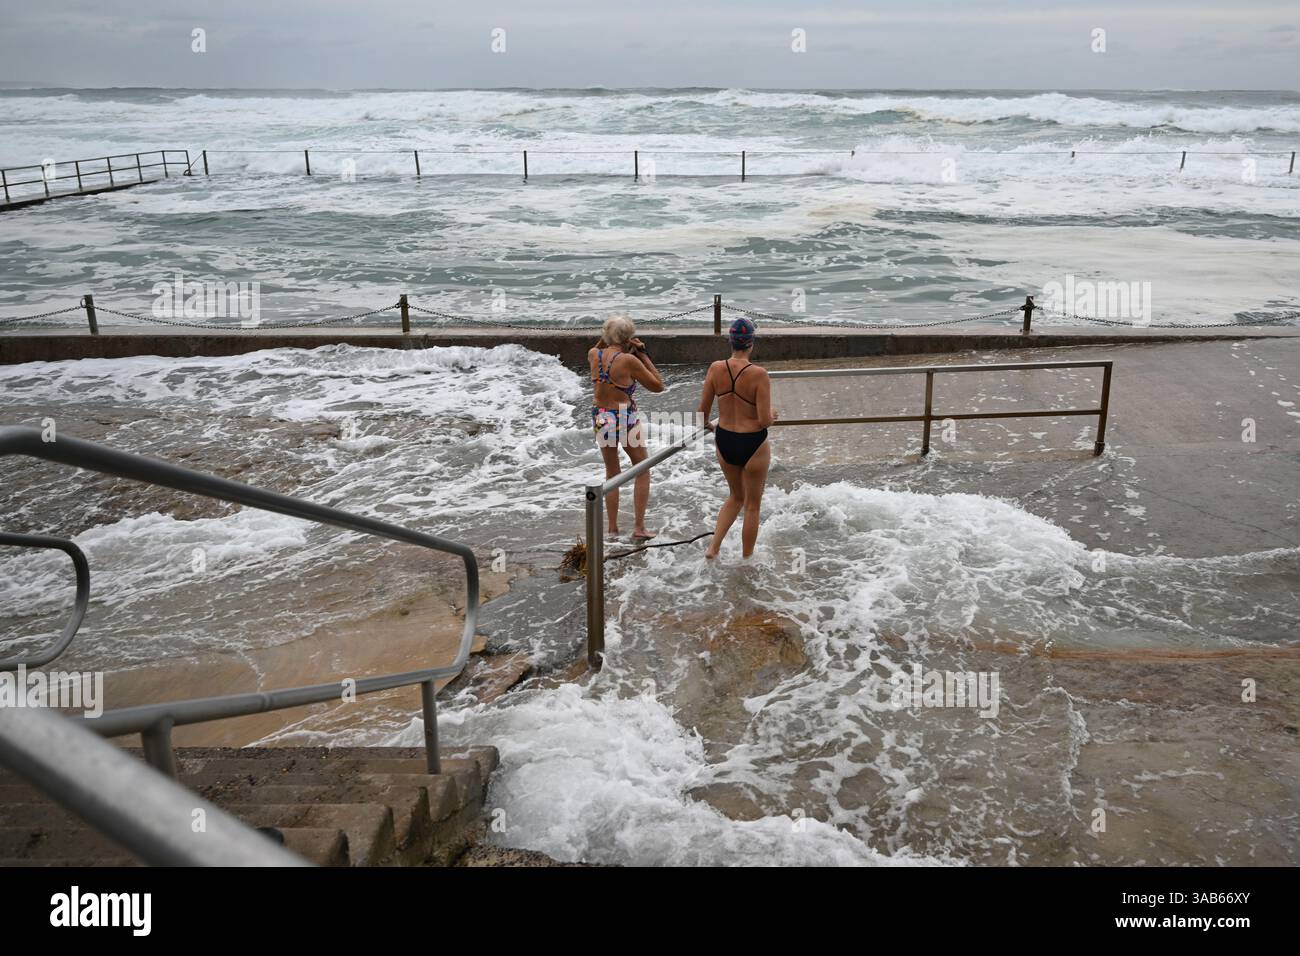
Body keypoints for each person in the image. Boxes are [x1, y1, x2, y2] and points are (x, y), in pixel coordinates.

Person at [698, 316, 777, 559]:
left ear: (731, 342)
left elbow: (702, 413)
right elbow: (764, 421)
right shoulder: (759, 374)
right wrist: (773, 415)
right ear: (751, 343)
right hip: (752, 442)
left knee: (735, 497)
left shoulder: (715, 368)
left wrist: (711, 427)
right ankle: (746, 558)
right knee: (752, 506)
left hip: (725, 440)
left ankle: (714, 547)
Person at [589, 313, 664, 540]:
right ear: (629, 337)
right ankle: (639, 527)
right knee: (641, 468)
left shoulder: (593, 354)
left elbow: (601, 345)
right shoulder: (628, 360)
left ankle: (612, 528)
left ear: (606, 334)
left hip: (600, 415)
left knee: (612, 472)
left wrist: (610, 337)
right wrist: (643, 353)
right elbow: (658, 386)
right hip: (623, 416)